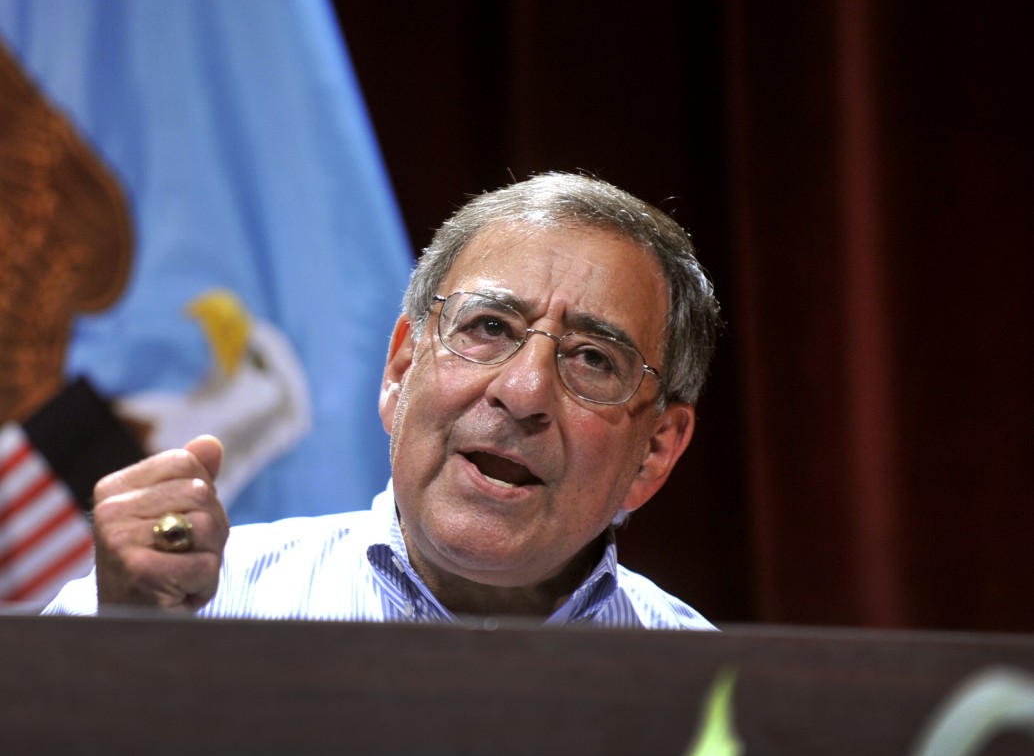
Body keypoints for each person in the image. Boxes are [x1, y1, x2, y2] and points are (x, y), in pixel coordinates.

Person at [45, 172, 722, 628]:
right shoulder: (189, 609)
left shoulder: (721, 702)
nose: (521, 394)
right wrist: (126, 653)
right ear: (400, 368)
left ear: (655, 449)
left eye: (593, 360)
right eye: (489, 328)